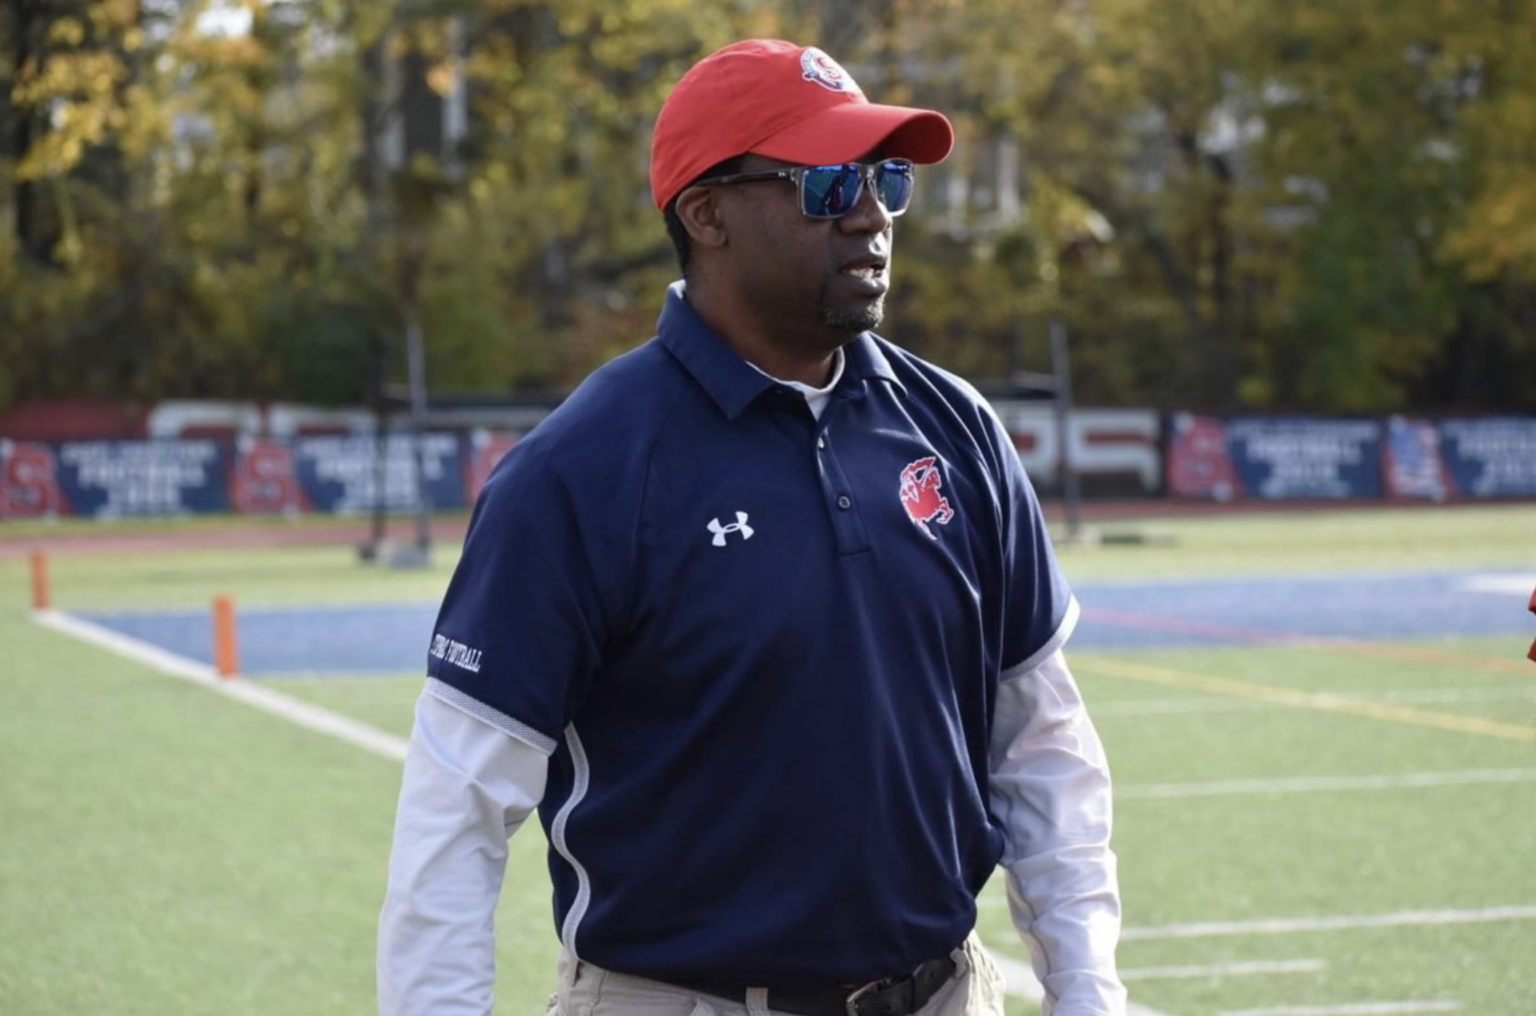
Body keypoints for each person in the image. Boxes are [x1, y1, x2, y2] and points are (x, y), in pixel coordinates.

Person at [378, 38, 1125, 1016]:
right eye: (824, 182)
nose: (868, 213)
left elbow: (1043, 750)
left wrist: (1088, 993)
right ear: (707, 212)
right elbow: (454, 817)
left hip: (946, 991)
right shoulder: (580, 470)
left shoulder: (959, 430)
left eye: (884, 177)